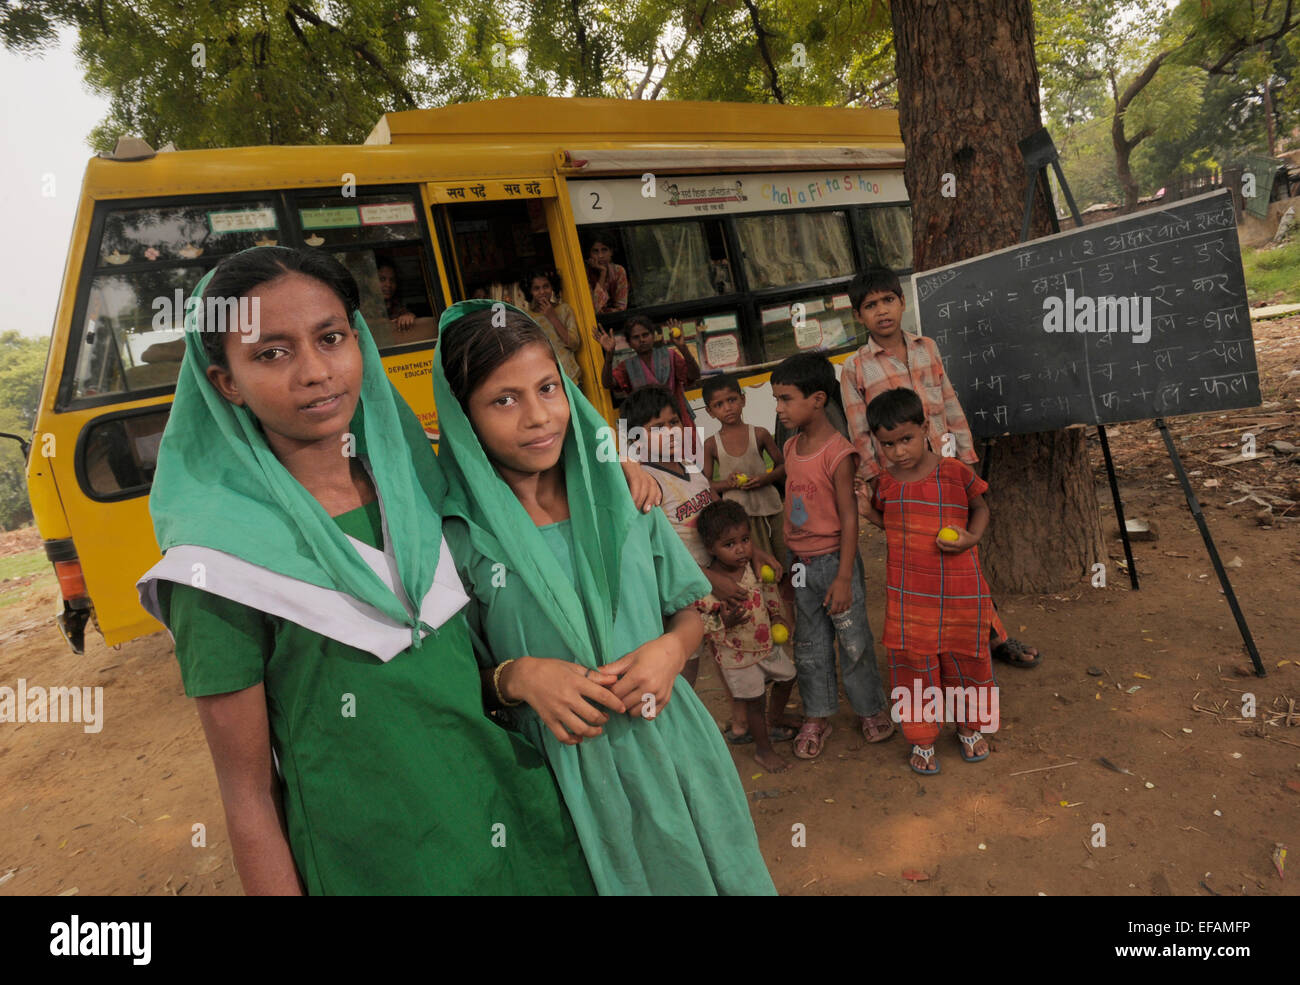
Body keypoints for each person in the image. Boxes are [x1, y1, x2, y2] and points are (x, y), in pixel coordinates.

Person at [134, 246, 595, 895]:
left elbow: (554, 491)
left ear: (360, 343)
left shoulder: (426, 489)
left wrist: (624, 474)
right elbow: (247, 795)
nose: (315, 372)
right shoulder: (214, 567)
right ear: (226, 382)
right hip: (376, 866)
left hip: (520, 829)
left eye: (330, 338)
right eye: (271, 352)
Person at [432, 300, 776, 896]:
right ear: (464, 419)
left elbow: (690, 609)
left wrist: (671, 652)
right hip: (567, 777)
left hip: (674, 749)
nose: (538, 417)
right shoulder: (456, 540)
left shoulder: (625, 497)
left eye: (547, 387)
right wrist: (518, 678)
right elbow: (451, 682)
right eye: (503, 400)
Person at [839, 266, 1043, 670]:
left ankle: (992, 637)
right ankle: (940, 644)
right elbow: (861, 432)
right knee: (923, 567)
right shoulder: (855, 368)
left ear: (901, 302)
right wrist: (879, 484)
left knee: (963, 559)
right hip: (902, 484)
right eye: (870, 305)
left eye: (888, 300)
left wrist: (965, 458)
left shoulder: (926, 347)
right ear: (858, 316)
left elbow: (948, 403)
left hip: (947, 473)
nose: (882, 311)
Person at [856, 387, 998, 774]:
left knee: (966, 660)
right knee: (913, 667)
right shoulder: (886, 484)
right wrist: (866, 510)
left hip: (959, 593)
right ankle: (921, 738)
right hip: (910, 598)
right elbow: (889, 523)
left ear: (925, 427)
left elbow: (980, 507)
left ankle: (969, 727)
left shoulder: (954, 473)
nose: (899, 451)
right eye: (888, 444)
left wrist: (972, 537)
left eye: (906, 439)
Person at [771, 352, 894, 760]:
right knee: (808, 643)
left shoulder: (838, 454)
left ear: (819, 399)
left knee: (853, 639)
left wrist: (844, 577)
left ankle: (869, 708)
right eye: (777, 399)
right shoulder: (789, 449)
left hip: (833, 562)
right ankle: (818, 713)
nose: (780, 408)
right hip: (802, 566)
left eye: (787, 399)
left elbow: (848, 516)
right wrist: (790, 568)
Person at [620, 385, 783, 689]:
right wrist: (709, 578)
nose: (670, 432)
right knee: (686, 664)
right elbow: (659, 550)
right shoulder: (644, 481)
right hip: (681, 590)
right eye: (657, 428)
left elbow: (722, 516)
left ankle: (739, 721)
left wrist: (755, 550)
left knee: (730, 649)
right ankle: (684, 727)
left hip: (716, 577)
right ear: (635, 440)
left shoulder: (691, 466)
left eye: (673, 422)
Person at [693, 500, 800, 775]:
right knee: (754, 700)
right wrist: (722, 621)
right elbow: (702, 620)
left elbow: (769, 594)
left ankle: (774, 720)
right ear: (710, 548)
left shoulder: (753, 568)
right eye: (729, 544)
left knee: (788, 676)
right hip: (736, 656)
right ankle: (764, 750)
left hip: (766, 645)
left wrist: (777, 615)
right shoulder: (710, 583)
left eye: (744, 539)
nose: (741, 548)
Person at [702, 374, 786, 562]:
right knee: (756, 564)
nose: (728, 408)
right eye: (719, 404)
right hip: (739, 519)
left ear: (743, 399)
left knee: (784, 557)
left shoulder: (759, 433)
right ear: (710, 411)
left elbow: (783, 466)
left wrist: (766, 478)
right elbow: (706, 484)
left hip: (771, 506)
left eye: (732, 400)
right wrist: (728, 483)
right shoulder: (711, 444)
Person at [596, 314, 700, 428]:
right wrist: (609, 355)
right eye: (636, 337)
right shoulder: (627, 366)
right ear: (629, 342)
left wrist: (683, 347)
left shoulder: (670, 356)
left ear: (653, 336)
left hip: (677, 421)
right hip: (648, 425)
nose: (642, 340)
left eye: (645, 335)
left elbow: (694, 375)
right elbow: (608, 383)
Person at [521, 268, 582, 385]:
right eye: (536, 288)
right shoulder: (527, 318)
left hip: (571, 377)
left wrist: (552, 317)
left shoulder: (564, 310)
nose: (542, 292)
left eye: (546, 286)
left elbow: (574, 344)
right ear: (530, 292)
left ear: (552, 287)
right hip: (546, 380)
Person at [585, 230, 628, 313]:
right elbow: (595, 309)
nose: (600, 256)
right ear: (589, 254)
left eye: (604, 250)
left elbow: (621, 308)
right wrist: (603, 273)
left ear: (611, 252)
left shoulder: (618, 271)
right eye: (595, 251)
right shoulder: (585, 273)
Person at [376, 259, 415, 332]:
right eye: (382, 279)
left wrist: (408, 316)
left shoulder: (396, 305)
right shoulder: (362, 308)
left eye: (392, 280)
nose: (388, 285)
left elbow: (406, 315)